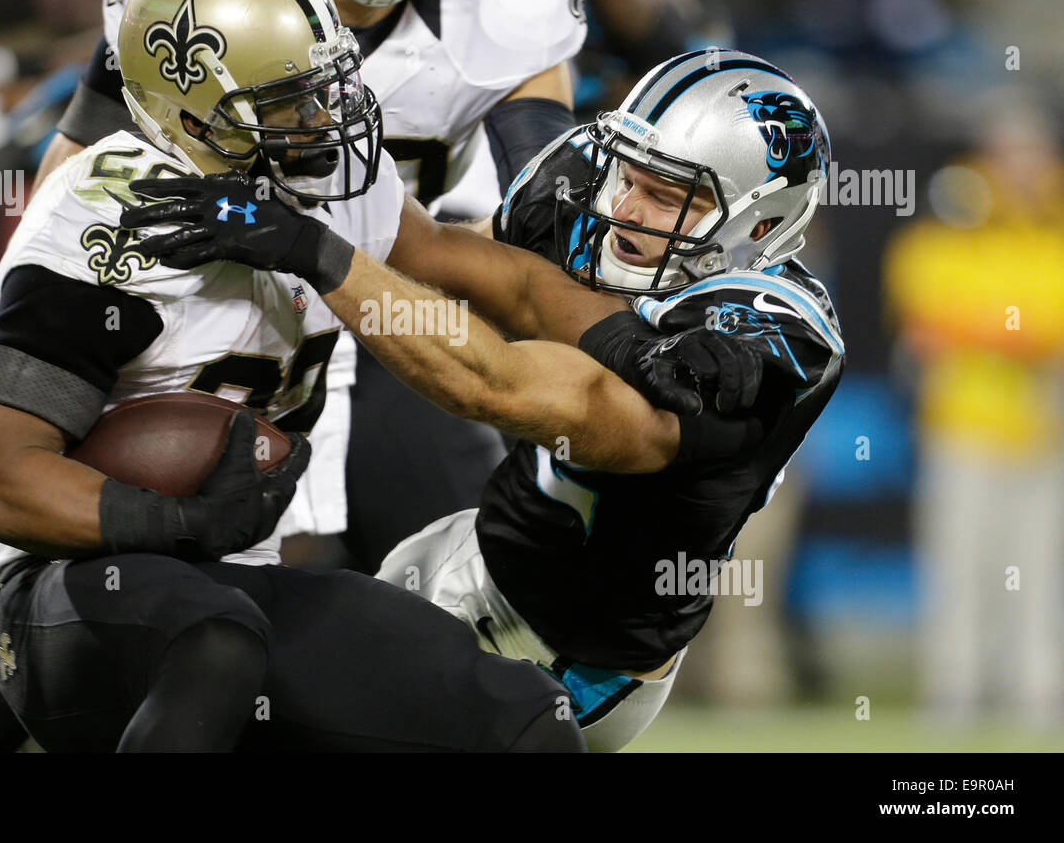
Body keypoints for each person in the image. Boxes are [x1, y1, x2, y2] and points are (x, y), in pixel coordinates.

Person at [0, 0, 603, 752]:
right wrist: (174, 519)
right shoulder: (102, 225)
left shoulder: (332, 188)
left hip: (238, 580)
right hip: (71, 590)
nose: (327, 123)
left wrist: (642, 325)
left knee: (526, 718)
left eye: (328, 90)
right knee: (214, 642)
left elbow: (488, 278)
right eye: (291, 103)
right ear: (196, 119)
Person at [124, 48, 846, 751]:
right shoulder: (590, 189)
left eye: (663, 195)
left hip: (572, 662)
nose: (622, 205)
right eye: (629, 173)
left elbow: (497, 383)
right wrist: (307, 159)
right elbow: (448, 257)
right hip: (466, 547)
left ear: (757, 225)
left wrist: (318, 253)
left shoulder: (773, 345)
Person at [37, 0, 591, 571]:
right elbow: (71, 181)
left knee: (467, 588)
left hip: (391, 301)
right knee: (220, 585)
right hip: (215, 311)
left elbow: (546, 210)